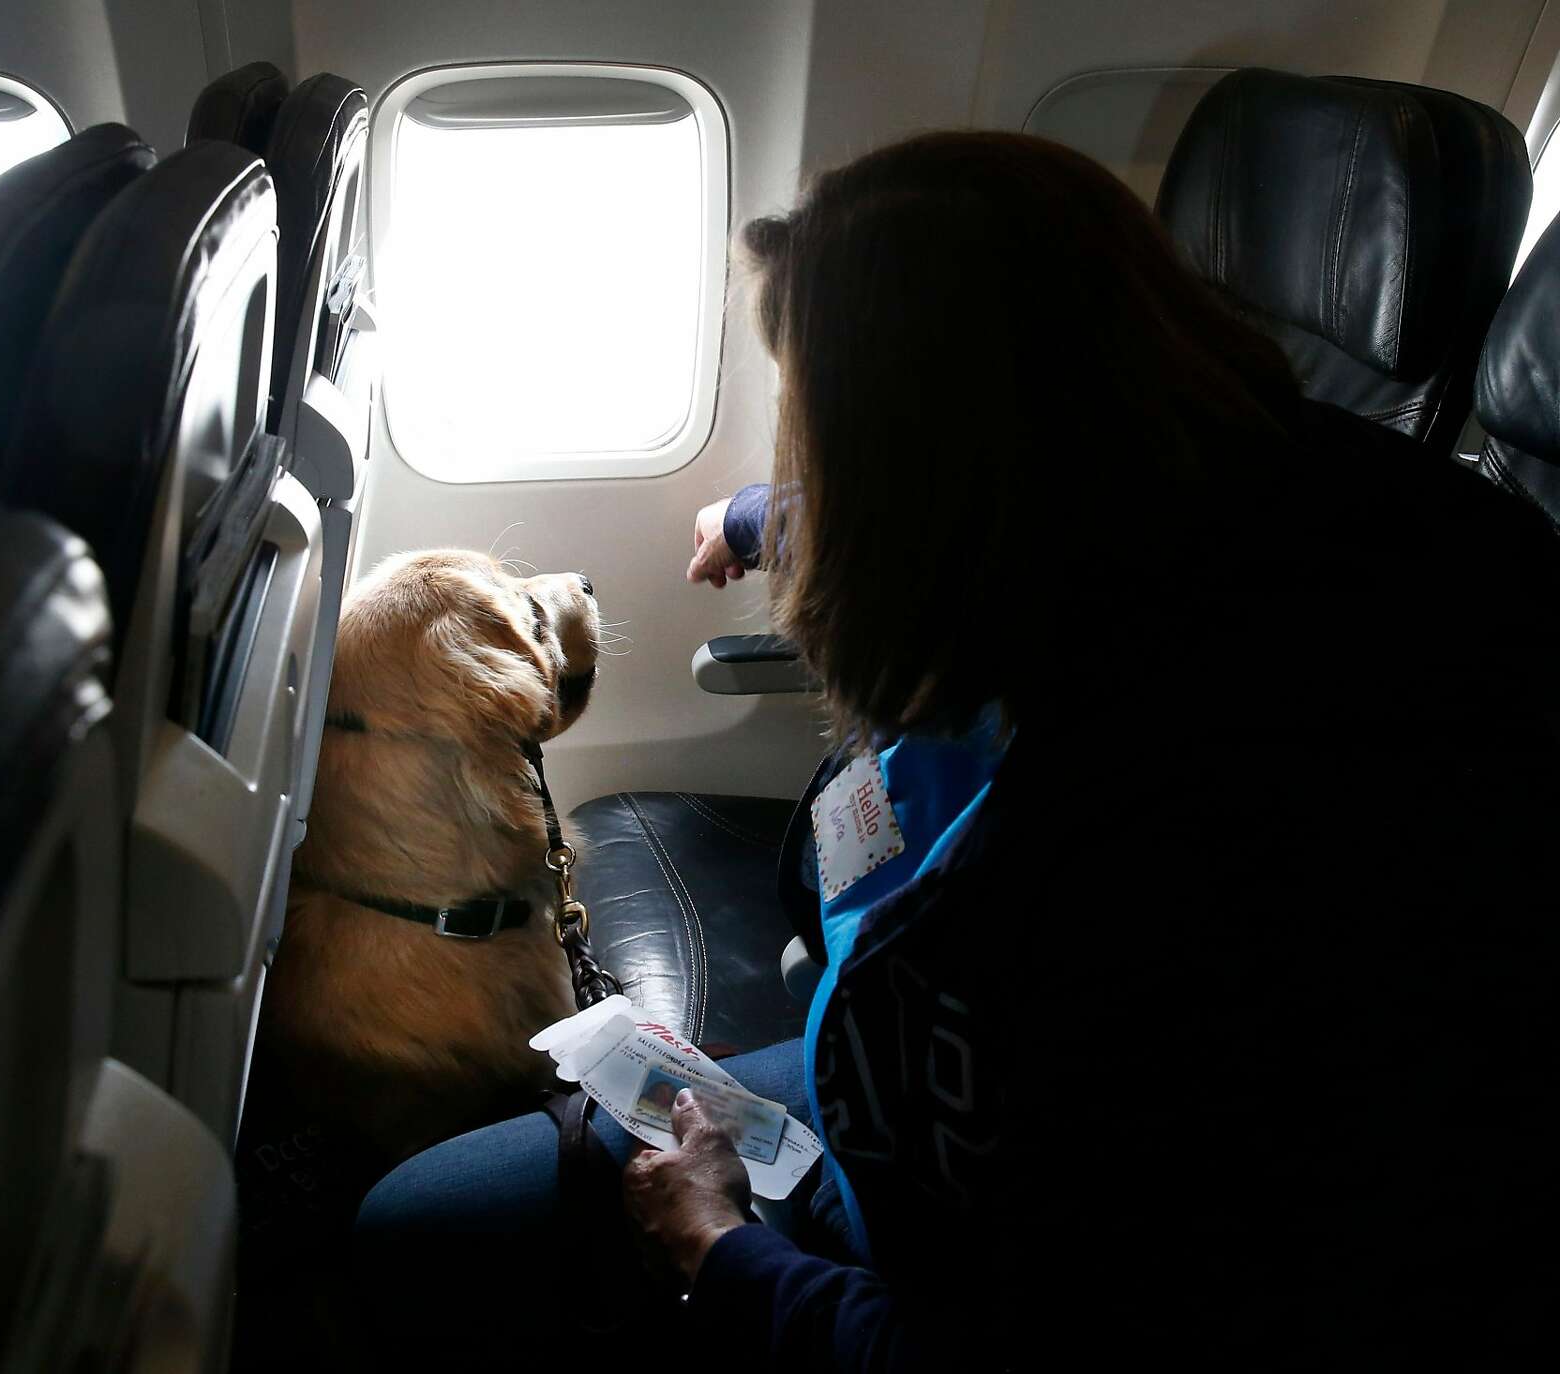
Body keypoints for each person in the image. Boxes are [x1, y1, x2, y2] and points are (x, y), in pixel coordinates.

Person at [350, 130, 1560, 1368]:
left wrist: (724, 1251)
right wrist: (767, 517)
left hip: (958, 1239)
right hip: (908, 1107)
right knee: (428, 1222)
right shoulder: (1250, 476)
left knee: (418, 1239)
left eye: (820, 432)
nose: (807, 462)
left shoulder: (1179, 858)